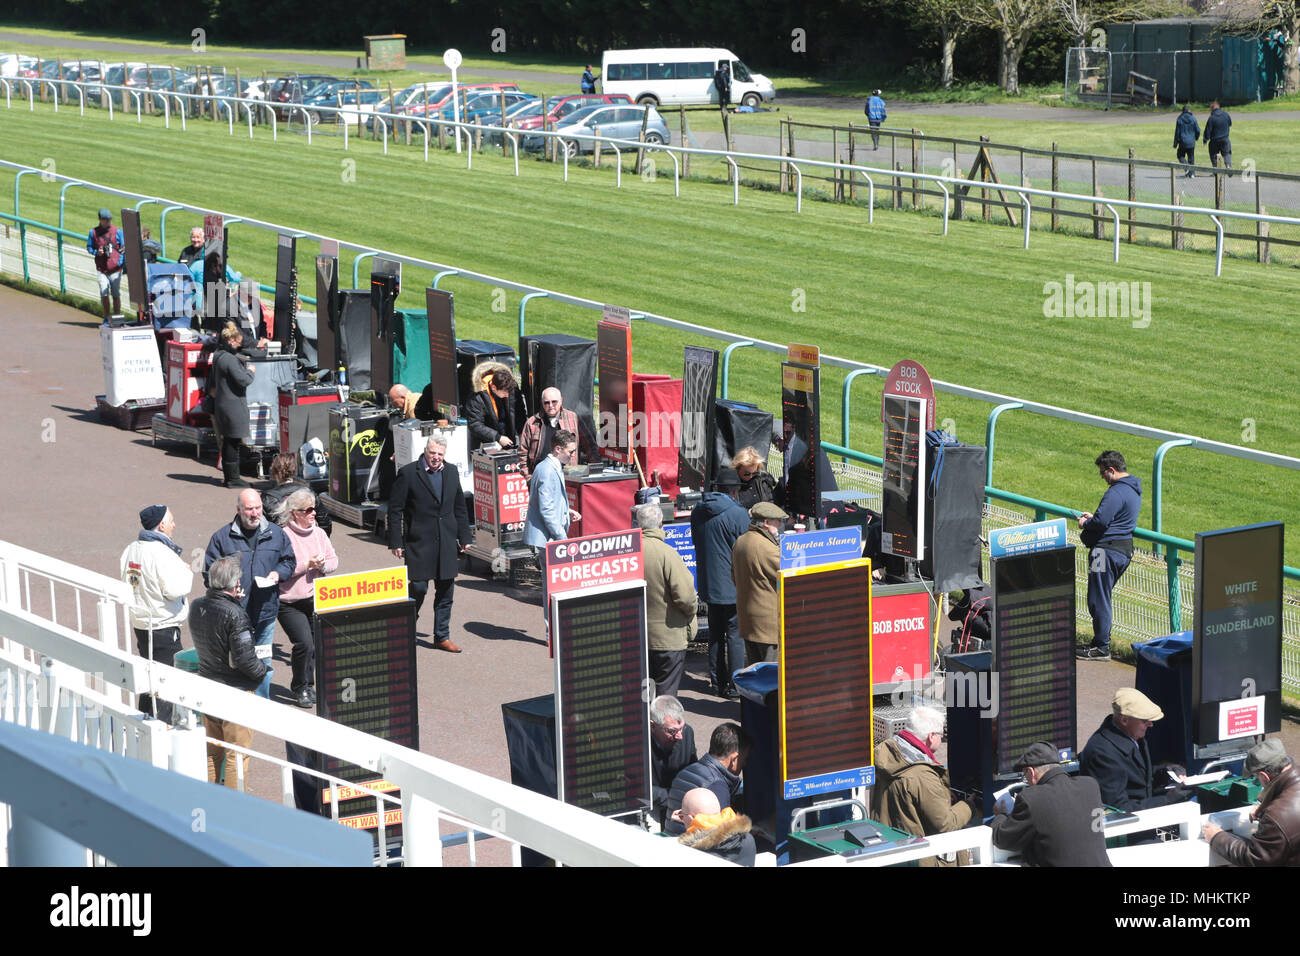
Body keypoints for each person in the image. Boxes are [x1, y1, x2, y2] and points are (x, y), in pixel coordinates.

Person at [204, 489, 296, 699]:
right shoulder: (222, 538)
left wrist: (277, 574)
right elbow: (209, 573)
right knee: (235, 661)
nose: (255, 513)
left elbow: (289, 561)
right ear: (238, 510)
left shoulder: (276, 533)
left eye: (258, 508)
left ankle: (261, 705)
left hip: (265, 612)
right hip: (232, 616)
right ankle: (236, 705)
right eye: (249, 509)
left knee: (262, 661)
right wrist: (227, 592)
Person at [189, 554, 269, 789]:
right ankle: (235, 809)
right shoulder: (235, 614)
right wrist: (262, 672)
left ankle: (212, 801)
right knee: (237, 755)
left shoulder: (197, 606)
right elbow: (244, 658)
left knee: (213, 752)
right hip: (235, 691)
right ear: (235, 585)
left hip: (207, 685)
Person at [388, 436, 473, 653]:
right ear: (426, 451)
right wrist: (396, 541)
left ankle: (441, 637)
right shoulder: (408, 473)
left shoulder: (451, 472)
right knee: (418, 588)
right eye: (432, 453)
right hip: (419, 541)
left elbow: (460, 508)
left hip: (445, 541)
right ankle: (404, 631)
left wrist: (465, 538)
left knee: (446, 591)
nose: (436, 458)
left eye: (440, 454)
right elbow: (395, 509)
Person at [871, 704, 976, 867]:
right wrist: (969, 805)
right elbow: (946, 824)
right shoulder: (923, 776)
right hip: (920, 859)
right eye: (942, 734)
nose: (942, 739)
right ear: (931, 736)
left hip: (892, 854)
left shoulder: (887, 755)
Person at [119, 505, 193, 723]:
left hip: (141, 623)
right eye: (171, 521)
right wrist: (186, 572)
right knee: (165, 683)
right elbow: (174, 590)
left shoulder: (131, 548)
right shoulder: (161, 553)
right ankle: (161, 728)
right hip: (163, 625)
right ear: (161, 524)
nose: (174, 525)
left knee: (148, 679)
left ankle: (142, 723)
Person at [991, 741, 1112, 867]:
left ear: (1031, 772)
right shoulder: (1090, 786)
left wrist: (1001, 814)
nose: (1026, 780)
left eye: (1024, 775)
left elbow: (1003, 839)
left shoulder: (1031, 798)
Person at [1079, 688, 1192, 812]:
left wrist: (1165, 772)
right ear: (1124, 720)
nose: (1151, 724)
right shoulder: (1103, 754)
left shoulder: (1130, 734)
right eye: (1145, 720)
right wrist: (1168, 800)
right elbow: (1118, 810)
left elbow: (1137, 776)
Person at [1076, 450, 1142, 661]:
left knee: (1098, 599)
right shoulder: (1133, 491)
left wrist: (1086, 522)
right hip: (1123, 551)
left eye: (1103, 473)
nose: (1103, 477)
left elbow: (1102, 522)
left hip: (1105, 553)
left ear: (1112, 470)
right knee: (1102, 597)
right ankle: (1101, 643)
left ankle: (1101, 647)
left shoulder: (1116, 491)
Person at [690, 468, 750, 698]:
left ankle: (718, 684)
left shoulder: (698, 511)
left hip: (708, 584)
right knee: (735, 636)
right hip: (732, 586)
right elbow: (745, 550)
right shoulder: (738, 514)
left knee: (715, 634)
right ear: (735, 491)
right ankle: (736, 687)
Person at [277, 489, 338, 707]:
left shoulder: (319, 533)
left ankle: (309, 685)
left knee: (316, 645)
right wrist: (307, 565)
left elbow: (333, 560)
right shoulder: (283, 535)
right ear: (295, 513)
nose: (314, 513)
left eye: (315, 508)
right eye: (309, 509)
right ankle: (300, 687)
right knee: (304, 644)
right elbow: (281, 569)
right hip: (289, 602)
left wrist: (323, 565)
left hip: (315, 599)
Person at [1202, 738, 1300, 867]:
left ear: (1264, 777)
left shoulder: (1277, 816)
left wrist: (1217, 837)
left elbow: (1256, 859)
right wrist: (1268, 806)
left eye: (1256, 779)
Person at [637, 503, 697, 700]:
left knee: (646, 693)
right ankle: (661, 729)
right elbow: (687, 597)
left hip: (638, 638)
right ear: (661, 523)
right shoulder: (667, 553)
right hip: (668, 638)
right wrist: (691, 613)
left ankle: (647, 727)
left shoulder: (630, 552)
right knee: (666, 699)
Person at [665, 722, 750, 835]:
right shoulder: (718, 787)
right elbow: (721, 835)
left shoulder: (686, 771)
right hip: (691, 847)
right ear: (734, 759)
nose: (744, 764)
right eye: (744, 759)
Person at [732, 501, 786, 666]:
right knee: (771, 678)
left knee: (755, 676)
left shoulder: (740, 541)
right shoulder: (766, 548)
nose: (781, 525)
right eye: (778, 521)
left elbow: (734, 577)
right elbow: (788, 574)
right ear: (767, 523)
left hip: (749, 621)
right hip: (767, 626)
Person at [208, 322, 256, 488]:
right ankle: (233, 478)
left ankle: (230, 477)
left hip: (222, 403)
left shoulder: (218, 355)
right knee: (233, 442)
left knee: (229, 440)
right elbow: (244, 380)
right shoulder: (230, 360)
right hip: (233, 405)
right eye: (237, 342)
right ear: (231, 341)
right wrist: (251, 371)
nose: (239, 345)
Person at [517, 386, 596, 479]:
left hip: (568, 475)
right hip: (540, 476)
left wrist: (596, 470)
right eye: (546, 403)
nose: (550, 405)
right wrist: (528, 477)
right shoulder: (532, 423)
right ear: (542, 403)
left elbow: (590, 445)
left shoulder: (573, 418)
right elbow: (522, 452)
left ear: (561, 400)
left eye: (554, 401)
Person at [523, 429, 581, 549]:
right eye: (571, 452)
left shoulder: (550, 467)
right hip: (547, 538)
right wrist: (561, 537)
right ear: (558, 449)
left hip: (548, 537)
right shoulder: (547, 471)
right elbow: (546, 509)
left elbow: (550, 501)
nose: (573, 455)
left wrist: (567, 510)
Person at [673, 787, 755, 865]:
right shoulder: (748, 839)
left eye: (682, 815)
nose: (682, 818)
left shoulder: (690, 855)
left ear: (692, 818)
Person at [649, 695, 697, 828]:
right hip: (652, 806)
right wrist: (674, 797)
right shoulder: (639, 744)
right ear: (652, 726)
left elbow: (693, 770)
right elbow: (640, 788)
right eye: (672, 731)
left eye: (681, 727)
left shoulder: (688, 733)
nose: (680, 736)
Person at [262, 452, 332, 535]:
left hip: (281, 543)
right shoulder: (308, 492)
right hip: (306, 541)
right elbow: (325, 521)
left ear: (274, 471)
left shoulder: (268, 497)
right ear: (294, 470)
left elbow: (261, 528)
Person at [464, 365, 528, 450]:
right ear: (493, 387)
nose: (507, 395)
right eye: (504, 393)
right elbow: (475, 424)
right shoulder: (477, 395)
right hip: (486, 445)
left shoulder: (511, 388)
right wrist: (498, 437)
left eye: (509, 392)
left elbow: (520, 413)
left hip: (509, 440)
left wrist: (521, 433)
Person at [86, 208, 125, 321]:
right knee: (104, 292)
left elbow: (123, 248)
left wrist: (120, 263)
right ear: (100, 219)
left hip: (116, 269)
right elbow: (89, 247)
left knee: (116, 294)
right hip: (101, 268)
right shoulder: (93, 232)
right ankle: (107, 317)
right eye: (105, 219)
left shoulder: (118, 231)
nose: (108, 221)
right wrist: (96, 252)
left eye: (109, 219)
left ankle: (117, 318)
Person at [1203, 100, 1232, 171]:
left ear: (1212, 108)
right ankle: (1228, 166)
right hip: (1225, 139)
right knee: (1227, 153)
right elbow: (1230, 124)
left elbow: (1208, 130)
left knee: (1213, 155)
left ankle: (1216, 170)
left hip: (1214, 140)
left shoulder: (1211, 118)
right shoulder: (1226, 115)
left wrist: (1205, 140)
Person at [1173, 104, 1199, 177]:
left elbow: (1177, 132)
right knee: (1191, 158)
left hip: (1183, 142)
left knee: (1180, 155)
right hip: (1191, 142)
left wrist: (1175, 143)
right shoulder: (1193, 118)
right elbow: (1198, 130)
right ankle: (1192, 174)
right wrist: (1196, 138)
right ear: (1189, 110)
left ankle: (1186, 166)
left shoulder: (1180, 119)